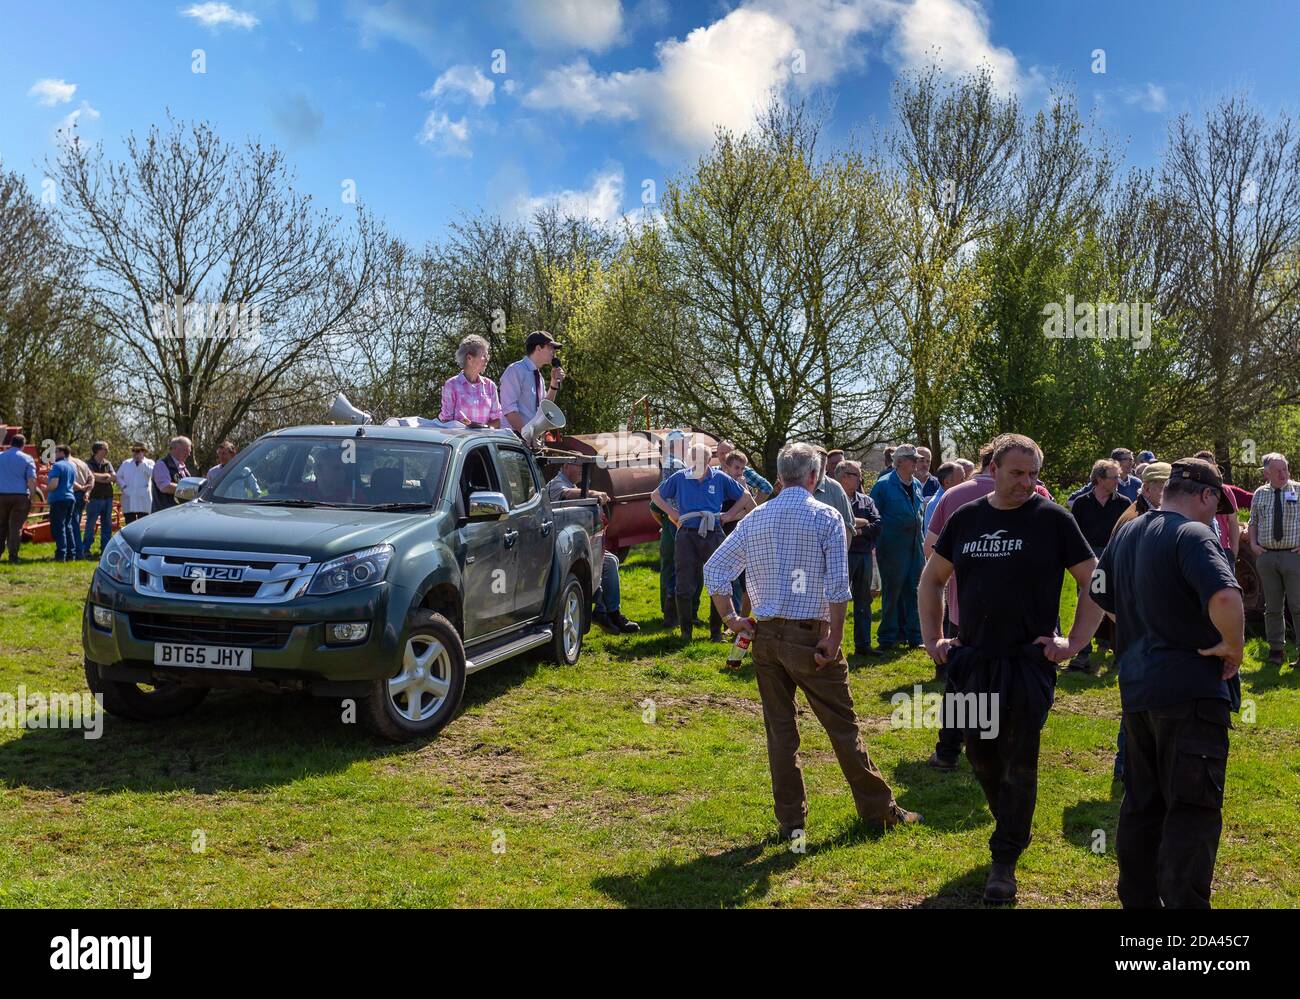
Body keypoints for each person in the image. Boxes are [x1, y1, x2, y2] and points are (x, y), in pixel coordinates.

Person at [703, 442, 922, 839]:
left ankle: (791, 823)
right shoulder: (826, 517)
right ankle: (878, 811)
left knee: (780, 732)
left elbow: (715, 568)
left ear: (781, 475)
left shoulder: (756, 518)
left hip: (767, 636)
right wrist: (835, 637)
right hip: (810, 635)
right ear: (815, 476)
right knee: (842, 726)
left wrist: (732, 618)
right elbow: (839, 587)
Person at [920, 433, 1103, 904]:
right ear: (994, 470)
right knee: (981, 755)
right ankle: (1010, 823)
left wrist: (1075, 641)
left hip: (1027, 661)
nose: (1026, 482)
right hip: (972, 658)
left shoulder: (1052, 520)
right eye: (1017, 473)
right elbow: (933, 579)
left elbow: (1095, 579)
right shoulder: (968, 517)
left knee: (1019, 760)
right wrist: (932, 637)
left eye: (1033, 474)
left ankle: (1004, 861)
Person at [1093, 458, 1244, 908]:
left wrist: (1146, 630)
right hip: (1191, 692)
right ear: (1205, 495)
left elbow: (1103, 596)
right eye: (1216, 505)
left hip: (1139, 690)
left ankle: (1139, 901)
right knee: (1192, 810)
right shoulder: (1194, 534)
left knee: (1142, 804)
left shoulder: (1128, 531)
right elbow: (1225, 595)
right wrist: (1233, 647)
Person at [1108, 461, 1171, 781]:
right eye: (1163, 486)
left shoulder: (1149, 516)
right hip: (1140, 628)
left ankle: (1136, 765)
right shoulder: (1136, 520)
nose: (1168, 492)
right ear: (1146, 489)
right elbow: (1109, 583)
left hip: (1141, 625)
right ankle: (1125, 766)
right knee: (1137, 701)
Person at [651, 443, 751, 641]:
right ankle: (685, 632)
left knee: (719, 580)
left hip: (713, 531)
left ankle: (715, 633)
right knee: (684, 581)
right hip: (687, 533)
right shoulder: (680, 477)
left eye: (702, 459)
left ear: (708, 460)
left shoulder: (719, 477)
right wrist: (673, 513)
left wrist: (729, 515)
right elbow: (655, 496)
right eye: (694, 459)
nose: (697, 463)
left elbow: (745, 496)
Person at [548, 461, 639, 634]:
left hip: (574, 544)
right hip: (557, 548)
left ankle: (608, 612)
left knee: (610, 560)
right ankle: (607, 613)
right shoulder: (556, 484)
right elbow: (566, 494)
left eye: (584, 466)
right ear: (566, 466)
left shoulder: (569, 484)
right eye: (578, 465)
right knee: (608, 563)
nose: (582, 470)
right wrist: (593, 494)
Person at [1066, 459, 1132, 670]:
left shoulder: (1123, 503)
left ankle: (1119, 652)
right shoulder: (1082, 503)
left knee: (1115, 602)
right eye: (1113, 477)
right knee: (1088, 600)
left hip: (1113, 556)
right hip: (1088, 558)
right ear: (1099, 479)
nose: (1118, 481)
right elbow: (1075, 535)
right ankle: (1082, 652)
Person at [869, 443, 925, 649]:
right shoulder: (883, 485)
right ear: (900, 462)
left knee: (915, 590)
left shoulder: (917, 484)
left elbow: (919, 515)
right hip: (892, 546)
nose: (916, 462)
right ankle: (887, 638)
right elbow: (873, 516)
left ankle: (915, 637)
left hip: (915, 546)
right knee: (892, 593)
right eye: (913, 459)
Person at [1247, 452, 1300, 668]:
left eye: (1285, 469)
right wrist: (1253, 544)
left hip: (1293, 556)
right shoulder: (1260, 493)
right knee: (1272, 607)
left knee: (1298, 606)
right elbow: (1253, 521)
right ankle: (1276, 650)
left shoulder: (1298, 489)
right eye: (1278, 470)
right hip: (1266, 556)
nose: (1283, 474)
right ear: (1266, 473)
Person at [834, 460, 882, 659]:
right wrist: (859, 528)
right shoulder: (833, 499)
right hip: (841, 555)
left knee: (864, 600)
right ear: (844, 476)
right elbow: (837, 525)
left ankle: (863, 644)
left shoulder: (866, 501)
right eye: (856, 474)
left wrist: (854, 530)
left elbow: (878, 524)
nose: (860, 478)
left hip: (863, 555)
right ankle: (833, 643)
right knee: (835, 601)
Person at [651, 430, 688, 628]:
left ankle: (669, 613)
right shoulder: (676, 464)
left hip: (669, 521)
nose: (688, 447)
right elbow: (672, 498)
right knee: (678, 568)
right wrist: (675, 518)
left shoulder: (668, 462)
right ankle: (674, 615)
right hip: (677, 522)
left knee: (669, 568)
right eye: (686, 444)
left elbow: (655, 504)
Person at [500, 331, 564, 439]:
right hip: (513, 439)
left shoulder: (539, 377)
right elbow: (509, 410)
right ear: (538, 348)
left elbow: (544, 410)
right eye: (550, 348)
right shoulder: (515, 370)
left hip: (529, 439)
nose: (553, 352)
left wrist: (553, 384)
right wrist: (528, 436)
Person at [440, 334, 503, 429]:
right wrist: (460, 424)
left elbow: (497, 421)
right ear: (469, 358)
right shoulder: (451, 385)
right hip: (461, 442)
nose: (487, 359)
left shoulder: (490, 386)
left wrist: (479, 427)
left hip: (485, 442)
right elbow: (445, 421)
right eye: (484, 355)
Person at [1194, 451, 1240, 572]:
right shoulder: (1190, 490)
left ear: (1215, 466)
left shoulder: (1225, 490)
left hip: (1222, 549)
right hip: (1196, 548)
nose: (1205, 469)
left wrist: (1233, 551)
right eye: (1201, 465)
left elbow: (1233, 522)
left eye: (1208, 465)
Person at [0, 434, 42, 563]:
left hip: (1, 495)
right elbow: (31, 480)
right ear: (23, 445)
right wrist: (33, 496)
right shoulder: (27, 459)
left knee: (1, 526)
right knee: (15, 527)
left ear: (10, 443)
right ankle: (13, 556)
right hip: (20, 497)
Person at [812, 446, 855, 549]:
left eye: (822, 461)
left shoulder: (835, 488)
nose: (818, 465)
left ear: (826, 466)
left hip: (829, 553)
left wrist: (841, 559)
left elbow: (847, 527)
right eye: (815, 460)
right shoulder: (797, 484)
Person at [81, 441, 117, 559]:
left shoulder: (108, 463)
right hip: (94, 498)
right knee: (90, 524)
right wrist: (105, 477)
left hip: (108, 497)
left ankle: (105, 549)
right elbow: (90, 476)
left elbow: (113, 477)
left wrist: (98, 477)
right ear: (98, 450)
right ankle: (86, 549)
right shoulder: (88, 463)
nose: (107, 451)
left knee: (107, 524)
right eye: (105, 449)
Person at [46, 445, 79, 562]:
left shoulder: (57, 466)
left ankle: (61, 555)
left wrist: (46, 488)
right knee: (68, 526)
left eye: (56, 451)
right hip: (70, 498)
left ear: (62, 453)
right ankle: (72, 554)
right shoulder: (71, 466)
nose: (54, 454)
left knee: (59, 527)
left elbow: (54, 484)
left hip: (59, 499)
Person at [115, 443, 155, 523]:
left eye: (138, 451)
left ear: (143, 452)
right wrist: (124, 486)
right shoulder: (126, 463)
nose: (135, 453)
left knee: (143, 523)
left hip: (143, 498)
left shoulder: (149, 462)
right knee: (130, 523)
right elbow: (118, 476)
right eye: (133, 450)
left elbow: (153, 474)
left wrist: (142, 463)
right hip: (128, 497)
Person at [152, 436, 193, 513]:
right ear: (175, 449)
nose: (189, 454)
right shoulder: (161, 465)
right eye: (186, 451)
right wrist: (191, 490)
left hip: (180, 513)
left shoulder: (182, 466)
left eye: (189, 451)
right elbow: (165, 487)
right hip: (164, 514)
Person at [67, 446, 93, 559]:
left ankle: (76, 552)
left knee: (72, 525)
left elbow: (69, 480)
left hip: (73, 493)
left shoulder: (66, 464)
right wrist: (87, 492)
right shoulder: (82, 463)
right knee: (76, 523)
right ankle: (78, 551)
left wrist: (81, 488)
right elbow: (92, 478)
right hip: (82, 496)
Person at [924, 461, 964, 535]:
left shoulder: (952, 499)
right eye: (961, 479)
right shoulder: (936, 504)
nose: (964, 483)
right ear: (947, 482)